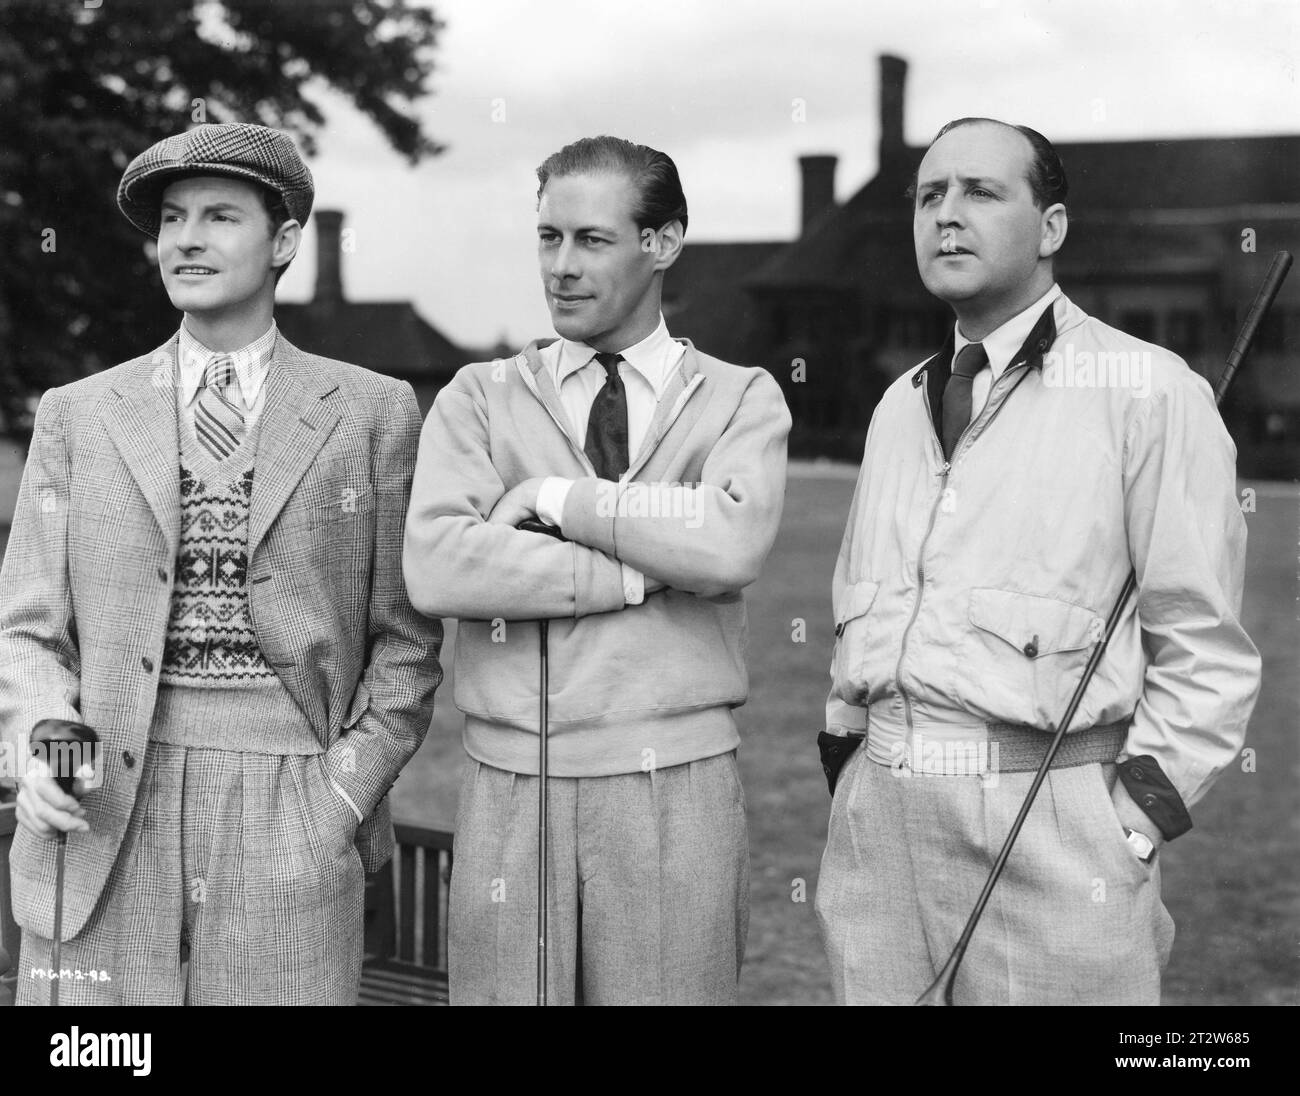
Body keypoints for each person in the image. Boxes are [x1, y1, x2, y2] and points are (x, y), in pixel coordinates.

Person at [814, 117, 1260, 1006]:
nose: (947, 215)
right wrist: (849, 769)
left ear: (1050, 228)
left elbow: (1204, 645)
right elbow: (859, 608)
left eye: (981, 192)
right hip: (881, 832)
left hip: (1053, 825)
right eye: (930, 195)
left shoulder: (1150, 391)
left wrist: (1129, 826)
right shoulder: (897, 407)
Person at [0, 123, 443, 1005]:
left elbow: (407, 645)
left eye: (219, 217)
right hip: (104, 806)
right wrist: (47, 744)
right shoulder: (78, 414)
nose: (187, 240)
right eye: (172, 219)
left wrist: (337, 804)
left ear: (283, 243)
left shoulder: (371, 413)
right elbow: (27, 627)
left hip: (292, 804)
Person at [403, 135, 790, 1005]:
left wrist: (553, 498)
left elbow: (728, 544)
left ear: (662, 243)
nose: (562, 267)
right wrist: (635, 573)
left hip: (674, 787)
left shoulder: (741, 396)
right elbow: (438, 566)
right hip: (509, 788)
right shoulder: (478, 396)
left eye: (592, 240)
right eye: (549, 238)